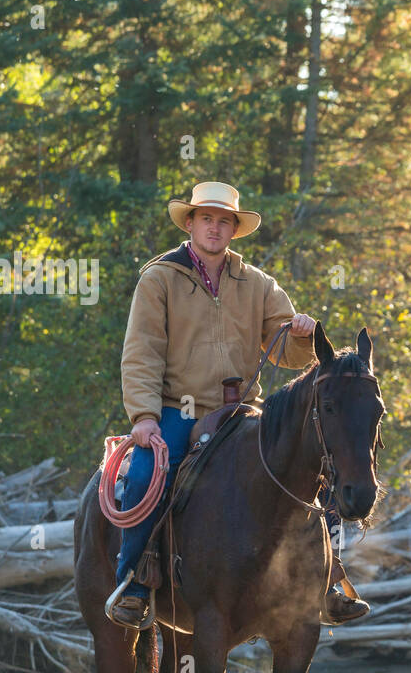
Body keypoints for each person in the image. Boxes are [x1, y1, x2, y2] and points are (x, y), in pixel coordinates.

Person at [109, 180, 369, 629]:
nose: (214, 228)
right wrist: (145, 418)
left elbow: (285, 353)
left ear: (234, 229)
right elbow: (141, 352)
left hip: (243, 410)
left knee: (317, 466)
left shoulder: (257, 284)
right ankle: (134, 583)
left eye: (223, 221)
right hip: (178, 409)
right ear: (190, 223)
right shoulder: (160, 279)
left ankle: (327, 579)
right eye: (206, 219)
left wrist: (302, 334)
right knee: (148, 473)